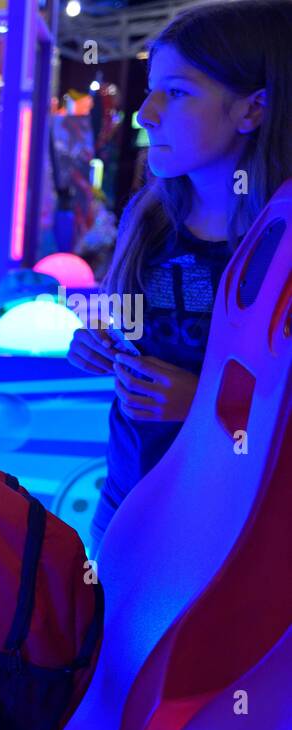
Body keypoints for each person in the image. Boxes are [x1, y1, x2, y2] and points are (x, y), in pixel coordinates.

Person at [67, 0, 292, 553]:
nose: (146, 112)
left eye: (179, 92)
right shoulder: (149, 214)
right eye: (152, 87)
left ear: (253, 110)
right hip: (128, 491)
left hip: (234, 521)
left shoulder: (280, 240)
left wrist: (207, 403)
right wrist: (93, 339)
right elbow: (125, 316)